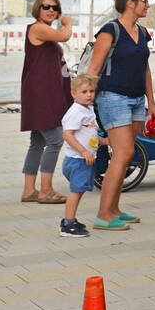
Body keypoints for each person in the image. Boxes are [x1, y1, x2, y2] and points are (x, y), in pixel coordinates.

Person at [87, 0, 155, 231]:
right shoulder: (110, 30)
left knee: (126, 154)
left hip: (137, 99)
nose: (147, 5)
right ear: (130, 4)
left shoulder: (141, 31)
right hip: (113, 97)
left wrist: (152, 102)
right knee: (123, 153)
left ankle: (115, 209)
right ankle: (103, 215)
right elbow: (94, 68)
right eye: (144, 1)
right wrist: (85, 101)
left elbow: (145, 68)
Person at [19, 0, 73, 204]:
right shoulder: (38, 28)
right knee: (55, 139)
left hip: (42, 91)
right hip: (41, 93)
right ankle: (46, 190)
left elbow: (55, 60)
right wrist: (67, 23)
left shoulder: (45, 31)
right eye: (46, 7)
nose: (51, 10)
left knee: (37, 141)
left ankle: (29, 190)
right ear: (37, 9)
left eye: (55, 8)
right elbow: (64, 36)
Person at [59, 74, 101, 238]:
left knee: (79, 191)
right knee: (76, 192)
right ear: (73, 94)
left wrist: (103, 141)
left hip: (84, 159)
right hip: (77, 160)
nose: (89, 95)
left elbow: (88, 132)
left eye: (91, 91)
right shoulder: (76, 112)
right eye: (84, 91)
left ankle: (71, 219)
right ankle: (67, 225)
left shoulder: (86, 110)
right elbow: (68, 135)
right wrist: (84, 151)